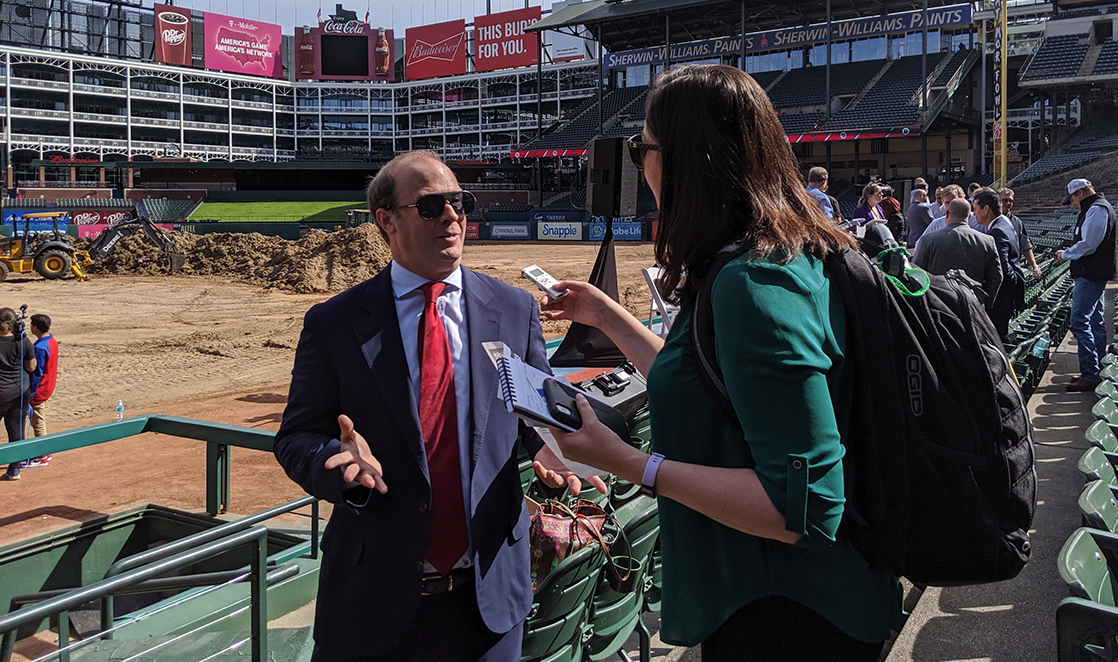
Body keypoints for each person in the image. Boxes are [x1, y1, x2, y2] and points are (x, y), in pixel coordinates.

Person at [542, 66, 903, 661]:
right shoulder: (771, 256)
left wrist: (630, 463)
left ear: (688, 159)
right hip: (786, 600)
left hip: (787, 617)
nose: (640, 164)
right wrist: (607, 316)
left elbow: (802, 507)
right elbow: (716, 384)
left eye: (643, 149)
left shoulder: (752, 284)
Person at [274, 151, 601, 662]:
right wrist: (336, 467)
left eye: (458, 202)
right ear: (388, 221)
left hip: (489, 599)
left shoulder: (514, 310)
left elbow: (531, 418)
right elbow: (296, 437)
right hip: (373, 602)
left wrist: (548, 448)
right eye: (430, 206)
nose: (452, 216)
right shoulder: (334, 323)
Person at [1054, 178, 1117, 392]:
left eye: (1072, 199)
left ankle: (1090, 373)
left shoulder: (1097, 209)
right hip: (1094, 273)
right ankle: (1094, 370)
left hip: (1091, 273)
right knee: (1095, 321)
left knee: (1080, 321)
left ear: (1080, 192)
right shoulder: (1095, 207)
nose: (1072, 203)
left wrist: (1065, 254)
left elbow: (1089, 244)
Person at [912, 197, 1002, 304]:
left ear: (947, 214)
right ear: (969, 217)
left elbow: (916, 274)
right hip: (973, 304)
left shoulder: (927, 240)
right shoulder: (987, 241)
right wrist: (984, 301)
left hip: (938, 304)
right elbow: (996, 277)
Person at [972, 189, 1024, 341]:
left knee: (996, 339)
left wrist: (991, 297)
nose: (974, 214)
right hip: (1008, 295)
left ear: (986, 209)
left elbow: (1004, 271)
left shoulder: (997, 231)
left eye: (975, 209)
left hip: (1001, 299)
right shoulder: (1004, 224)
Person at [0, 308, 37, 482]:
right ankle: (14, 469)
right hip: (18, 392)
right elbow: (31, 367)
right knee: (15, 430)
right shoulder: (23, 342)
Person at [25, 313, 58, 467]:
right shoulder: (51, 341)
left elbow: (36, 373)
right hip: (48, 385)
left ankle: (42, 454)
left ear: (36, 328)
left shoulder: (39, 347)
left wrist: (31, 393)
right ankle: (43, 452)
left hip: (39, 389)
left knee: (38, 422)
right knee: (39, 420)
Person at [997, 188, 1043, 279]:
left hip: (1012, 270)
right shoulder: (990, 219)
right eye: (1005, 200)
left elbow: (1025, 246)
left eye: (1011, 201)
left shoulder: (1017, 222)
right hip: (995, 270)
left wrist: (1034, 265)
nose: (1008, 203)